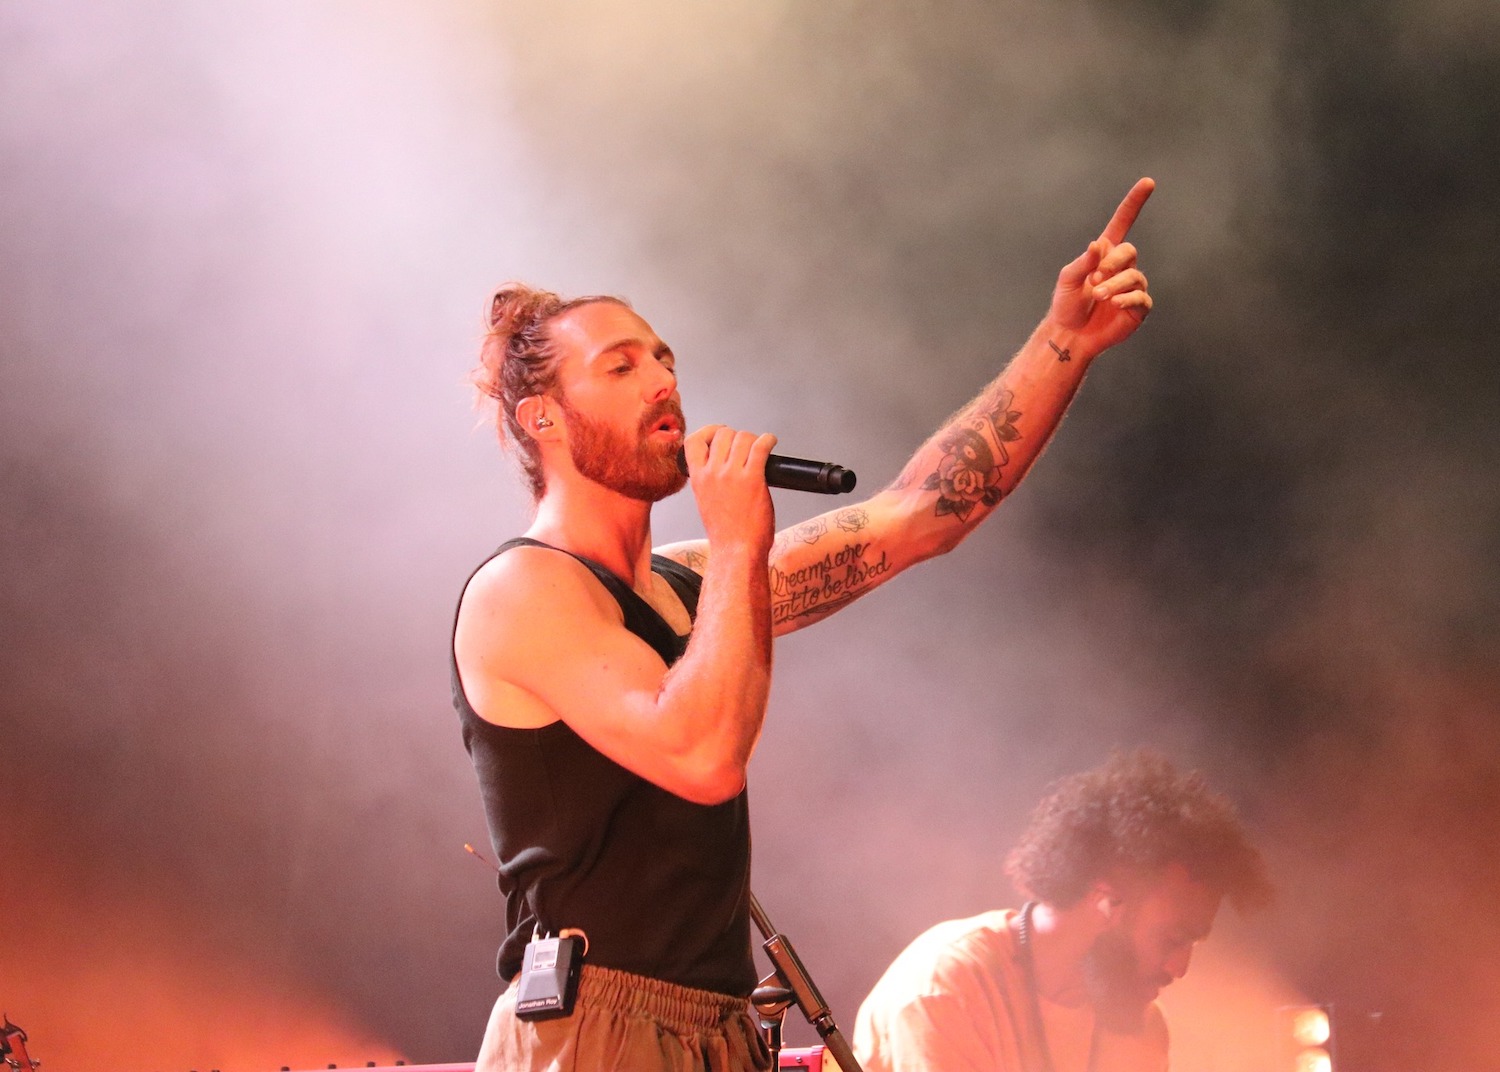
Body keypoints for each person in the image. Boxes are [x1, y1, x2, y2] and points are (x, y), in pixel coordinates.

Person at [451, 178, 1159, 1072]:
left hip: (716, 1018)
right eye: (621, 367)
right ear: (541, 417)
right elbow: (701, 757)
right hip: (595, 1026)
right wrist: (742, 543)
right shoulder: (524, 589)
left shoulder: (688, 584)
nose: (663, 380)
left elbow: (919, 516)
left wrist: (1067, 340)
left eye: (664, 357)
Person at [852, 750, 1272, 1072]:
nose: (1180, 968)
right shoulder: (946, 989)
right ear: (1106, 899)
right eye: (1173, 939)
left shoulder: (1140, 1025)